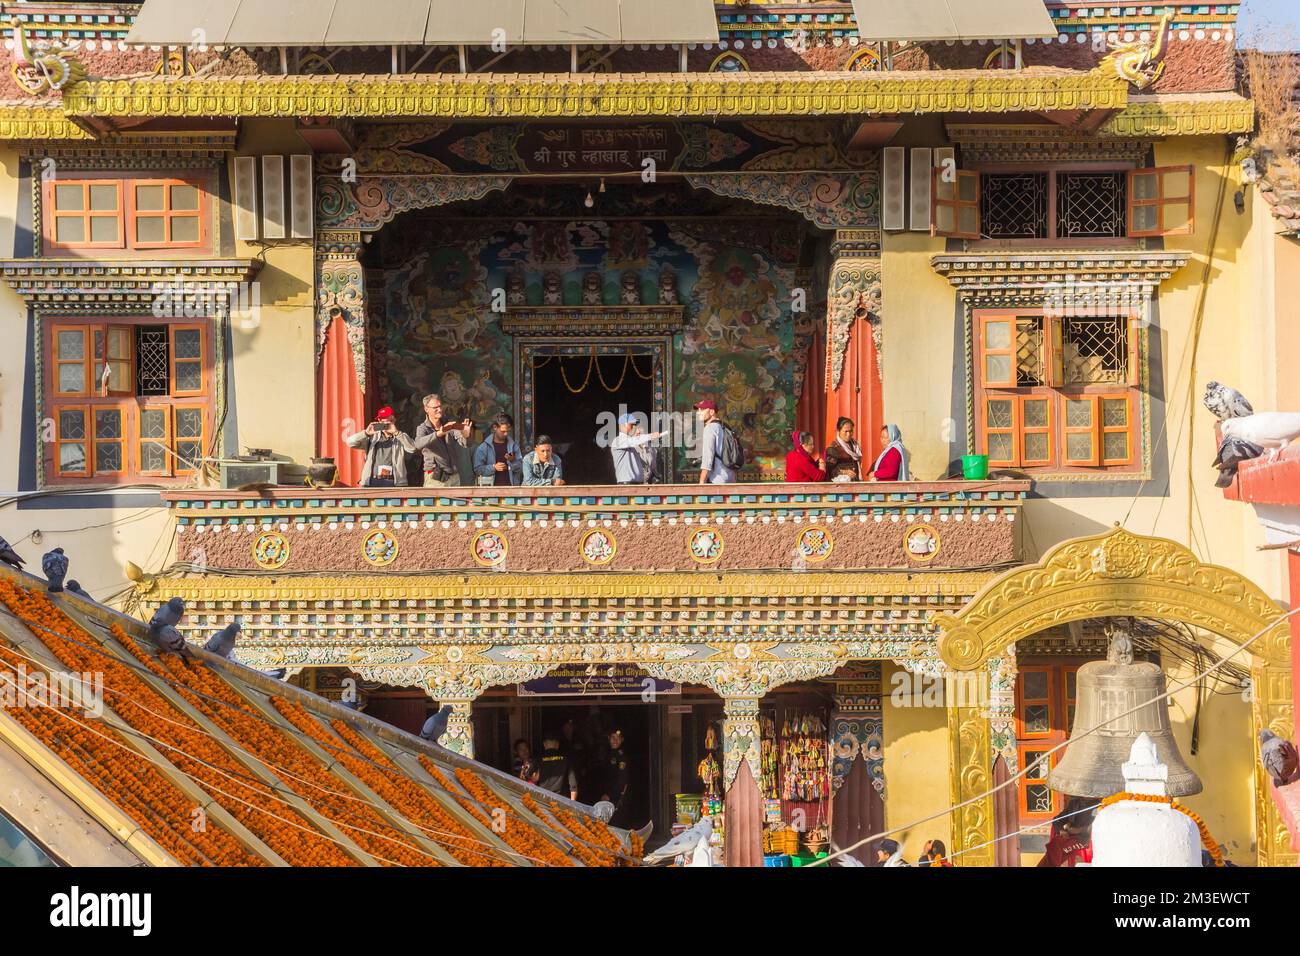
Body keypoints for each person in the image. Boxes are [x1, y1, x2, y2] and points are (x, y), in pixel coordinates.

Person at [345, 404, 417, 487]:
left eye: (388, 421)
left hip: (394, 482)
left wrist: (396, 433)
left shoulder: (400, 436)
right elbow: (350, 442)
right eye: (382, 422)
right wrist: (366, 433)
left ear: (393, 420)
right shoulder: (372, 437)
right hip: (372, 481)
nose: (385, 425)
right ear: (378, 421)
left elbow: (413, 448)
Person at [413, 393, 473, 488]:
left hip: (454, 476)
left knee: (458, 503)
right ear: (426, 409)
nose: (439, 410)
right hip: (435, 478)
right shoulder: (422, 428)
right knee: (435, 503)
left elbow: (466, 444)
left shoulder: (449, 423)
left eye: (440, 406)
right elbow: (418, 444)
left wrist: (466, 435)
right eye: (435, 408)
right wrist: (438, 434)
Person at [610, 414, 666, 484]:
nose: (634, 427)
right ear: (624, 425)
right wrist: (651, 436)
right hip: (627, 485)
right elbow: (634, 440)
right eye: (632, 425)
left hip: (637, 484)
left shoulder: (635, 443)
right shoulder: (618, 441)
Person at [1038, 799, 1094, 867]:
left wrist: (1079, 830)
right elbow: (1057, 819)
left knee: (1060, 848)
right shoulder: (1074, 802)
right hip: (1070, 835)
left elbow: (1098, 826)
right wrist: (1061, 830)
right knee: (1055, 843)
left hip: (1085, 839)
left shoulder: (1098, 806)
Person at [473, 412, 523, 486]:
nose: (506, 434)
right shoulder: (483, 448)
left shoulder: (514, 446)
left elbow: (521, 468)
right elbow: (477, 470)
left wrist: (513, 460)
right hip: (490, 493)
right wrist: (493, 467)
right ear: (495, 427)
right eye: (503, 431)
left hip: (511, 491)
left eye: (507, 431)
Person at [695, 399, 738, 484]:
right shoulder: (725, 427)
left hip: (716, 480)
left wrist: (701, 483)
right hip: (730, 477)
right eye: (698, 410)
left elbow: (708, 458)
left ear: (711, 412)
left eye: (702, 410)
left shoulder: (710, 428)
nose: (698, 412)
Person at [600, 728, 631, 826]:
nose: (615, 740)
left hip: (615, 797)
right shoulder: (608, 754)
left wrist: (609, 795)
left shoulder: (621, 756)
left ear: (622, 740)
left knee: (615, 824)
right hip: (607, 795)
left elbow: (622, 780)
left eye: (618, 738)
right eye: (613, 737)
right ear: (609, 739)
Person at [537, 735, 579, 800]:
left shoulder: (538, 760)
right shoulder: (566, 759)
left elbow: (532, 780)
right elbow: (573, 784)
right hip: (561, 800)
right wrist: (572, 804)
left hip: (543, 800)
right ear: (557, 745)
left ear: (544, 744)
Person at [824, 417, 863, 482]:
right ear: (838, 431)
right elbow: (830, 470)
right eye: (846, 431)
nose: (848, 434)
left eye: (850, 431)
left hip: (855, 483)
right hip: (841, 486)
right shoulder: (833, 448)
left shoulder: (855, 446)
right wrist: (844, 472)